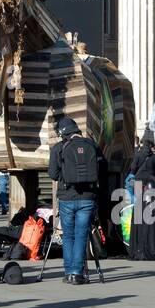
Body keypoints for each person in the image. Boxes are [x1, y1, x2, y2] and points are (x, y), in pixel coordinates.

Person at [48, 116, 102, 283]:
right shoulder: (92, 145)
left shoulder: (59, 148)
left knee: (68, 235)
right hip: (87, 197)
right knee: (81, 235)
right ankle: (77, 273)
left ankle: (69, 272)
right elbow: (101, 169)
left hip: (66, 197)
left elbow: (52, 174)